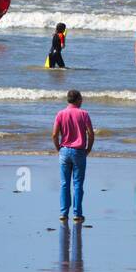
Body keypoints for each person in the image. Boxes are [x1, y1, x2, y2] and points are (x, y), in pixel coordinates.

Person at [52, 89, 94, 224]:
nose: (82, 101)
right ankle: (77, 213)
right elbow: (91, 134)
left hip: (64, 150)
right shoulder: (84, 114)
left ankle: (63, 213)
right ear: (77, 99)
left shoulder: (60, 114)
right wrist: (88, 149)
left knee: (64, 184)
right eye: (81, 99)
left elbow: (54, 134)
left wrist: (59, 148)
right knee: (78, 184)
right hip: (79, 151)